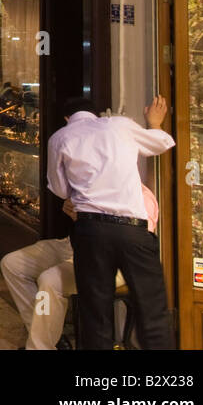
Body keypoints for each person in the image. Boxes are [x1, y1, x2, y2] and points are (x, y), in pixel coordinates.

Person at [47, 95, 176, 350]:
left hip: (91, 230)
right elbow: (161, 143)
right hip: (133, 229)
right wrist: (155, 123)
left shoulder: (60, 137)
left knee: (96, 311)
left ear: (66, 119)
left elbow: (60, 189)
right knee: (151, 308)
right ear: (96, 114)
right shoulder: (120, 125)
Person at [1, 184, 159, 350]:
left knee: (50, 280)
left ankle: (40, 346)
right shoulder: (93, 185)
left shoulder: (141, 198)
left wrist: (86, 219)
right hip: (74, 245)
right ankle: (47, 334)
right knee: (12, 264)